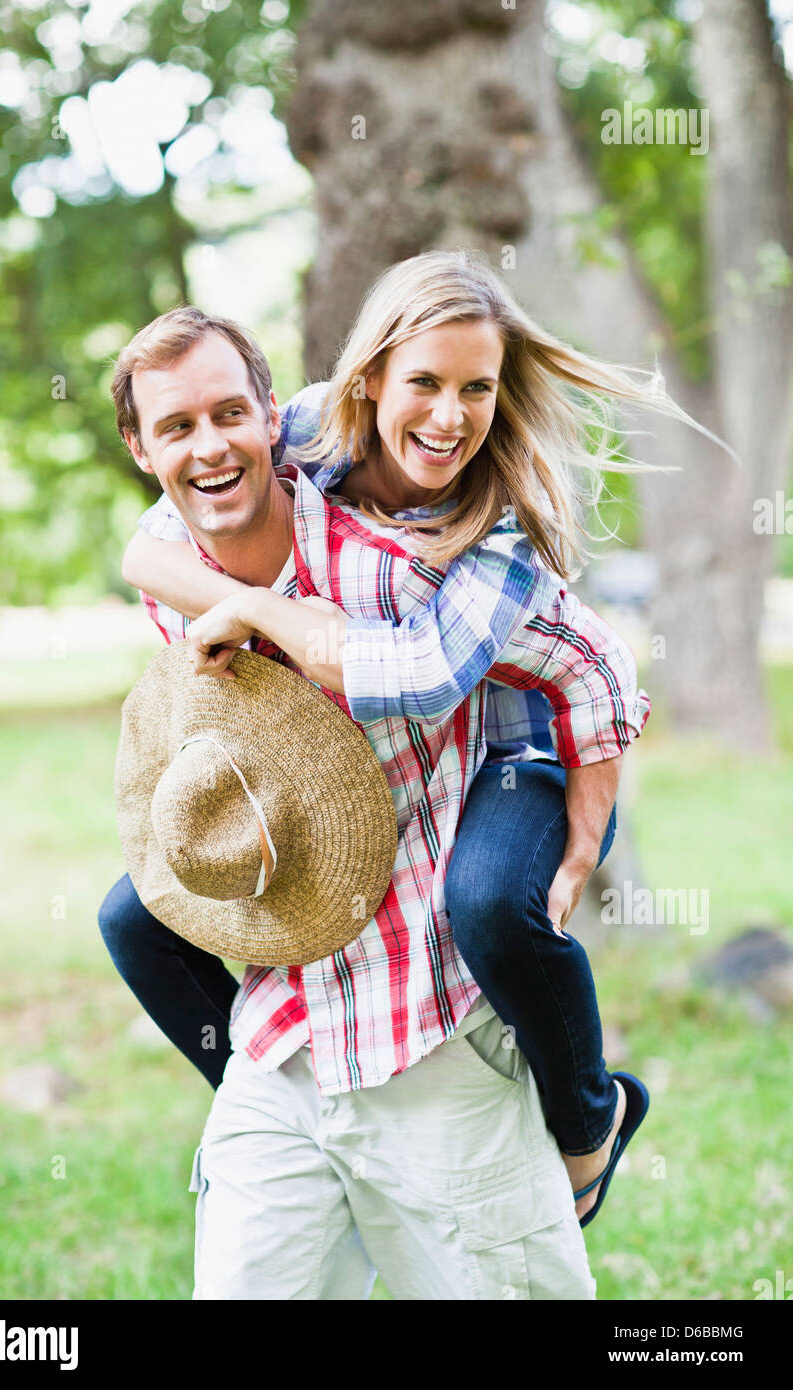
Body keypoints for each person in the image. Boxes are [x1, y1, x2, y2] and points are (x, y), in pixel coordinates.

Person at [104, 252, 701, 1232]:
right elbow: (153, 532)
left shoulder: (496, 525)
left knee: (489, 903)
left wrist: (589, 828)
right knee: (134, 918)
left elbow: (423, 673)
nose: (449, 414)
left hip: (527, 740)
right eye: (423, 381)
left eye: (476, 387)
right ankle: (273, 1105)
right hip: (402, 737)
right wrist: (209, 581)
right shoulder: (298, 431)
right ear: (369, 375)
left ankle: (593, 1117)